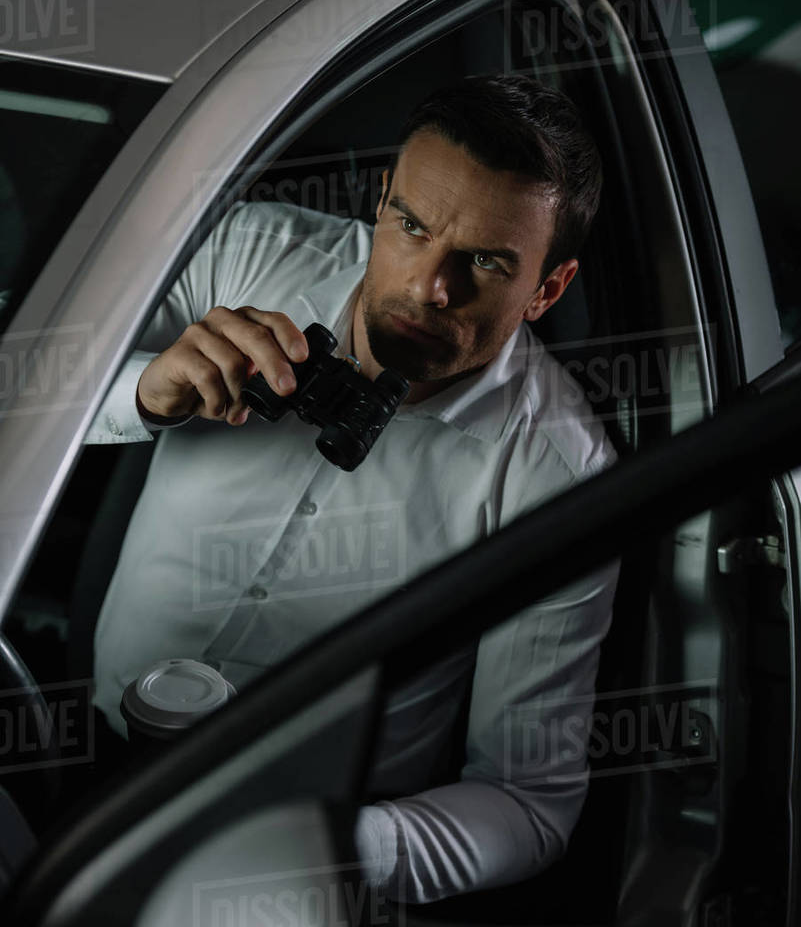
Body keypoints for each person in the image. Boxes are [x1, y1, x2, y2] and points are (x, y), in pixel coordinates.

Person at [86, 73, 620, 904]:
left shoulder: (559, 477)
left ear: (547, 288)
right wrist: (142, 391)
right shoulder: (246, 251)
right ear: (381, 200)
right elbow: (27, 396)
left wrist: (338, 849)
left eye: (481, 262)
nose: (425, 288)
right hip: (83, 761)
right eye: (410, 225)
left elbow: (528, 805)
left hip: (288, 864)